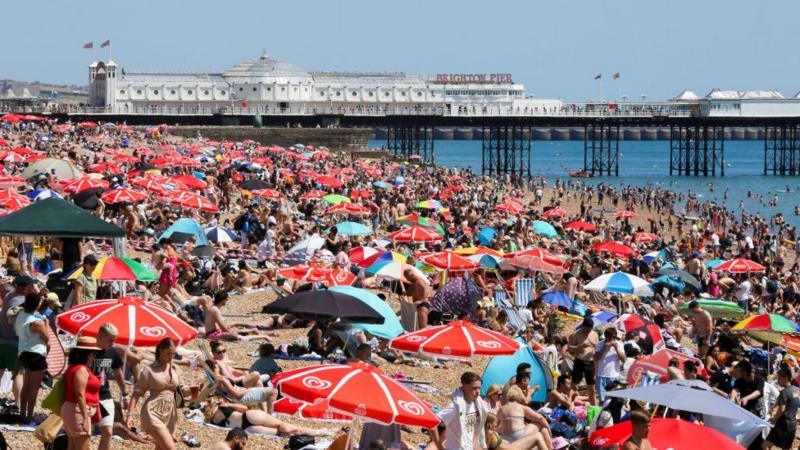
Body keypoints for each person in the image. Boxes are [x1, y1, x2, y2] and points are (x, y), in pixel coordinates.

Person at [127, 338, 184, 450]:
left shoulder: (175, 368)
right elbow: (136, 394)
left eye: (173, 354)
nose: (171, 357)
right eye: (168, 353)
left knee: (160, 448)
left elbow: (181, 390)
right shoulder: (149, 370)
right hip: (153, 412)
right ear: (161, 350)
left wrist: (196, 390)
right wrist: (129, 415)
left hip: (170, 414)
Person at [0, 275, 38, 411]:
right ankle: (19, 403)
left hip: (2, 340)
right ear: (24, 288)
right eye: (31, 285)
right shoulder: (21, 302)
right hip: (15, 344)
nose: (33, 287)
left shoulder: (9, 295)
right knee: (18, 374)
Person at [61, 336, 102, 450]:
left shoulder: (74, 367)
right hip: (78, 410)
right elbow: (80, 394)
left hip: (73, 409)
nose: (94, 357)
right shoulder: (81, 370)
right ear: (87, 354)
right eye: (93, 354)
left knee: (73, 447)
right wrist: (85, 417)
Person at [430, 371, 489, 450]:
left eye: (479, 388)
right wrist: (439, 447)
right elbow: (432, 423)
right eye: (474, 388)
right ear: (464, 386)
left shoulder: (477, 405)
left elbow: (473, 433)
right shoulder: (455, 407)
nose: (478, 391)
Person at [91, 323, 127, 450]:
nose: (113, 343)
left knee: (108, 432)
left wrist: (125, 395)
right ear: (100, 336)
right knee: (84, 433)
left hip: (105, 395)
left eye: (114, 340)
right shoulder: (87, 351)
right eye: (110, 340)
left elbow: (118, 374)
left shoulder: (112, 352)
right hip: (88, 397)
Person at [14, 292, 48, 422]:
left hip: (24, 353)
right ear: (37, 304)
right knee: (34, 388)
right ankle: (29, 415)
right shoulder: (37, 322)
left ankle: (23, 413)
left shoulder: (21, 316)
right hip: (36, 354)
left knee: (26, 385)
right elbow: (47, 338)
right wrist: (46, 323)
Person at [203, 400, 320, 436]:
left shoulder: (211, 421)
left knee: (281, 433)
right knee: (281, 425)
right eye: (209, 401)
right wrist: (229, 404)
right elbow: (244, 408)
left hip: (247, 429)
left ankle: (303, 435)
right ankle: (314, 432)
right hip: (249, 416)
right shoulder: (223, 406)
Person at [763, 367, 799, 450]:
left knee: (765, 445)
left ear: (785, 378)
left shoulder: (784, 392)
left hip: (783, 425)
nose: (777, 380)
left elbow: (782, 409)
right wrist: (774, 406)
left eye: (779, 378)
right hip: (792, 425)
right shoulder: (796, 390)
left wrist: (774, 420)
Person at [567, 317, 598, 405]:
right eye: (587, 328)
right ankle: (571, 404)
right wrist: (578, 347)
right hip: (579, 361)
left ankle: (594, 406)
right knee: (574, 385)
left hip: (590, 362)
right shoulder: (576, 334)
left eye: (590, 329)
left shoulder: (594, 334)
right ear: (583, 326)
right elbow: (569, 348)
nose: (588, 331)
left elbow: (597, 348)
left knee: (591, 387)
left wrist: (594, 345)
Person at [484, 413, 549, 450]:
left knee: (538, 435)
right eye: (495, 422)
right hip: (512, 448)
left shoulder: (492, 432)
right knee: (537, 436)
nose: (496, 424)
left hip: (512, 446)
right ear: (489, 423)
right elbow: (486, 447)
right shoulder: (489, 433)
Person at [594, 327, 625, 403]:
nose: (612, 339)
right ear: (606, 336)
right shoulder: (599, 344)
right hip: (601, 375)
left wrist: (617, 349)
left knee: (613, 400)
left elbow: (624, 359)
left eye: (614, 337)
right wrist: (604, 347)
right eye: (610, 337)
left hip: (614, 376)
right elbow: (596, 358)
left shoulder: (619, 344)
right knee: (602, 400)